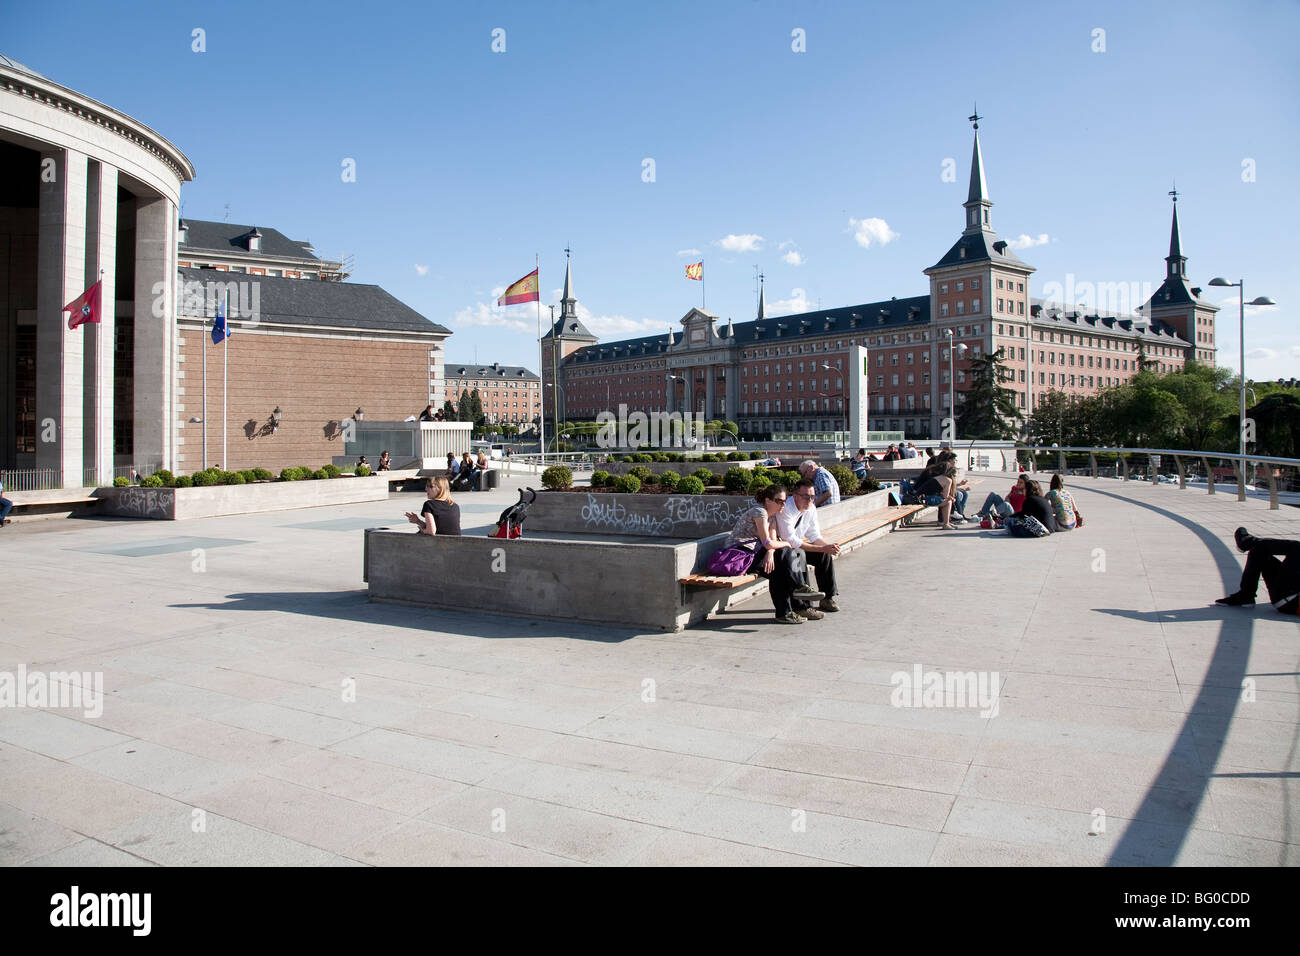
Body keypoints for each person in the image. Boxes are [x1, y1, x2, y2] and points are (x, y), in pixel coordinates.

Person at [723, 483, 823, 624]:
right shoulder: (760, 512)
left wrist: (770, 553)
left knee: (787, 562)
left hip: (755, 553)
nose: (783, 505)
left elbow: (771, 542)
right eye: (779, 501)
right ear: (768, 500)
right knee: (788, 551)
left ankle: (786, 612)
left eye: (784, 501)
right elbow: (769, 543)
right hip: (740, 556)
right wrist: (786, 543)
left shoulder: (773, 517)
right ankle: (799, 589)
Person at [778, 478, 842, 616]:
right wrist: (822, 548)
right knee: (798, 556)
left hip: (796, 546)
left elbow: (814, 535)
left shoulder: (811, 508)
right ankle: (803, 607)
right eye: (806, 496)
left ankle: (827, 598)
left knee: (824, 555)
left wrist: (828, 547)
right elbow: (791, 541)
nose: (810, 500)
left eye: (813, 496)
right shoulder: (786, 509)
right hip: (783, 550)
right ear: (795, 496)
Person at [1217, 527, 1300, 613]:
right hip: (1289, 595)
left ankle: (1248, 542)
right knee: (1258, 552)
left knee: (1297, 548)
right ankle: (1246, 595)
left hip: (1291, 600)